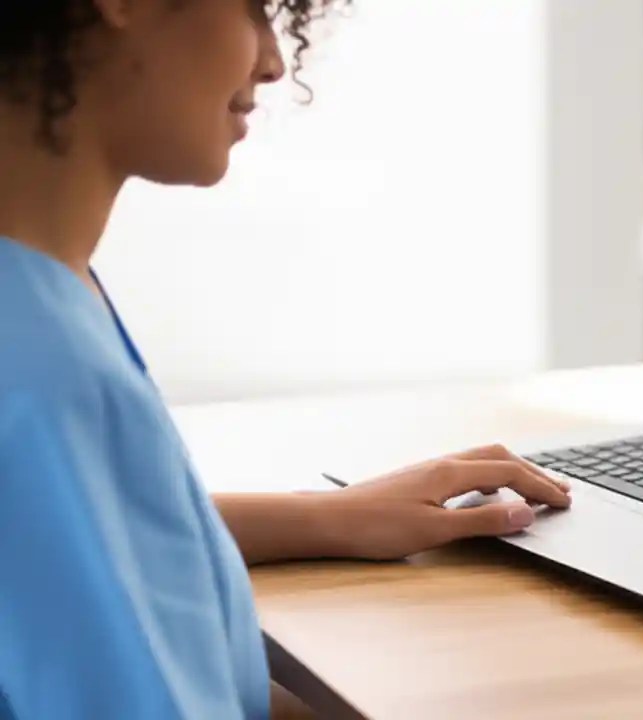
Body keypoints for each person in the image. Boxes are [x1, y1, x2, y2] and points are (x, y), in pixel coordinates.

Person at [0, 1, 572, 718]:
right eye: (253, 9)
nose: (273, 61)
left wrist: (331, 517)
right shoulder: (46, 375)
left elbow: (79, 544)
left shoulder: (43, 292)